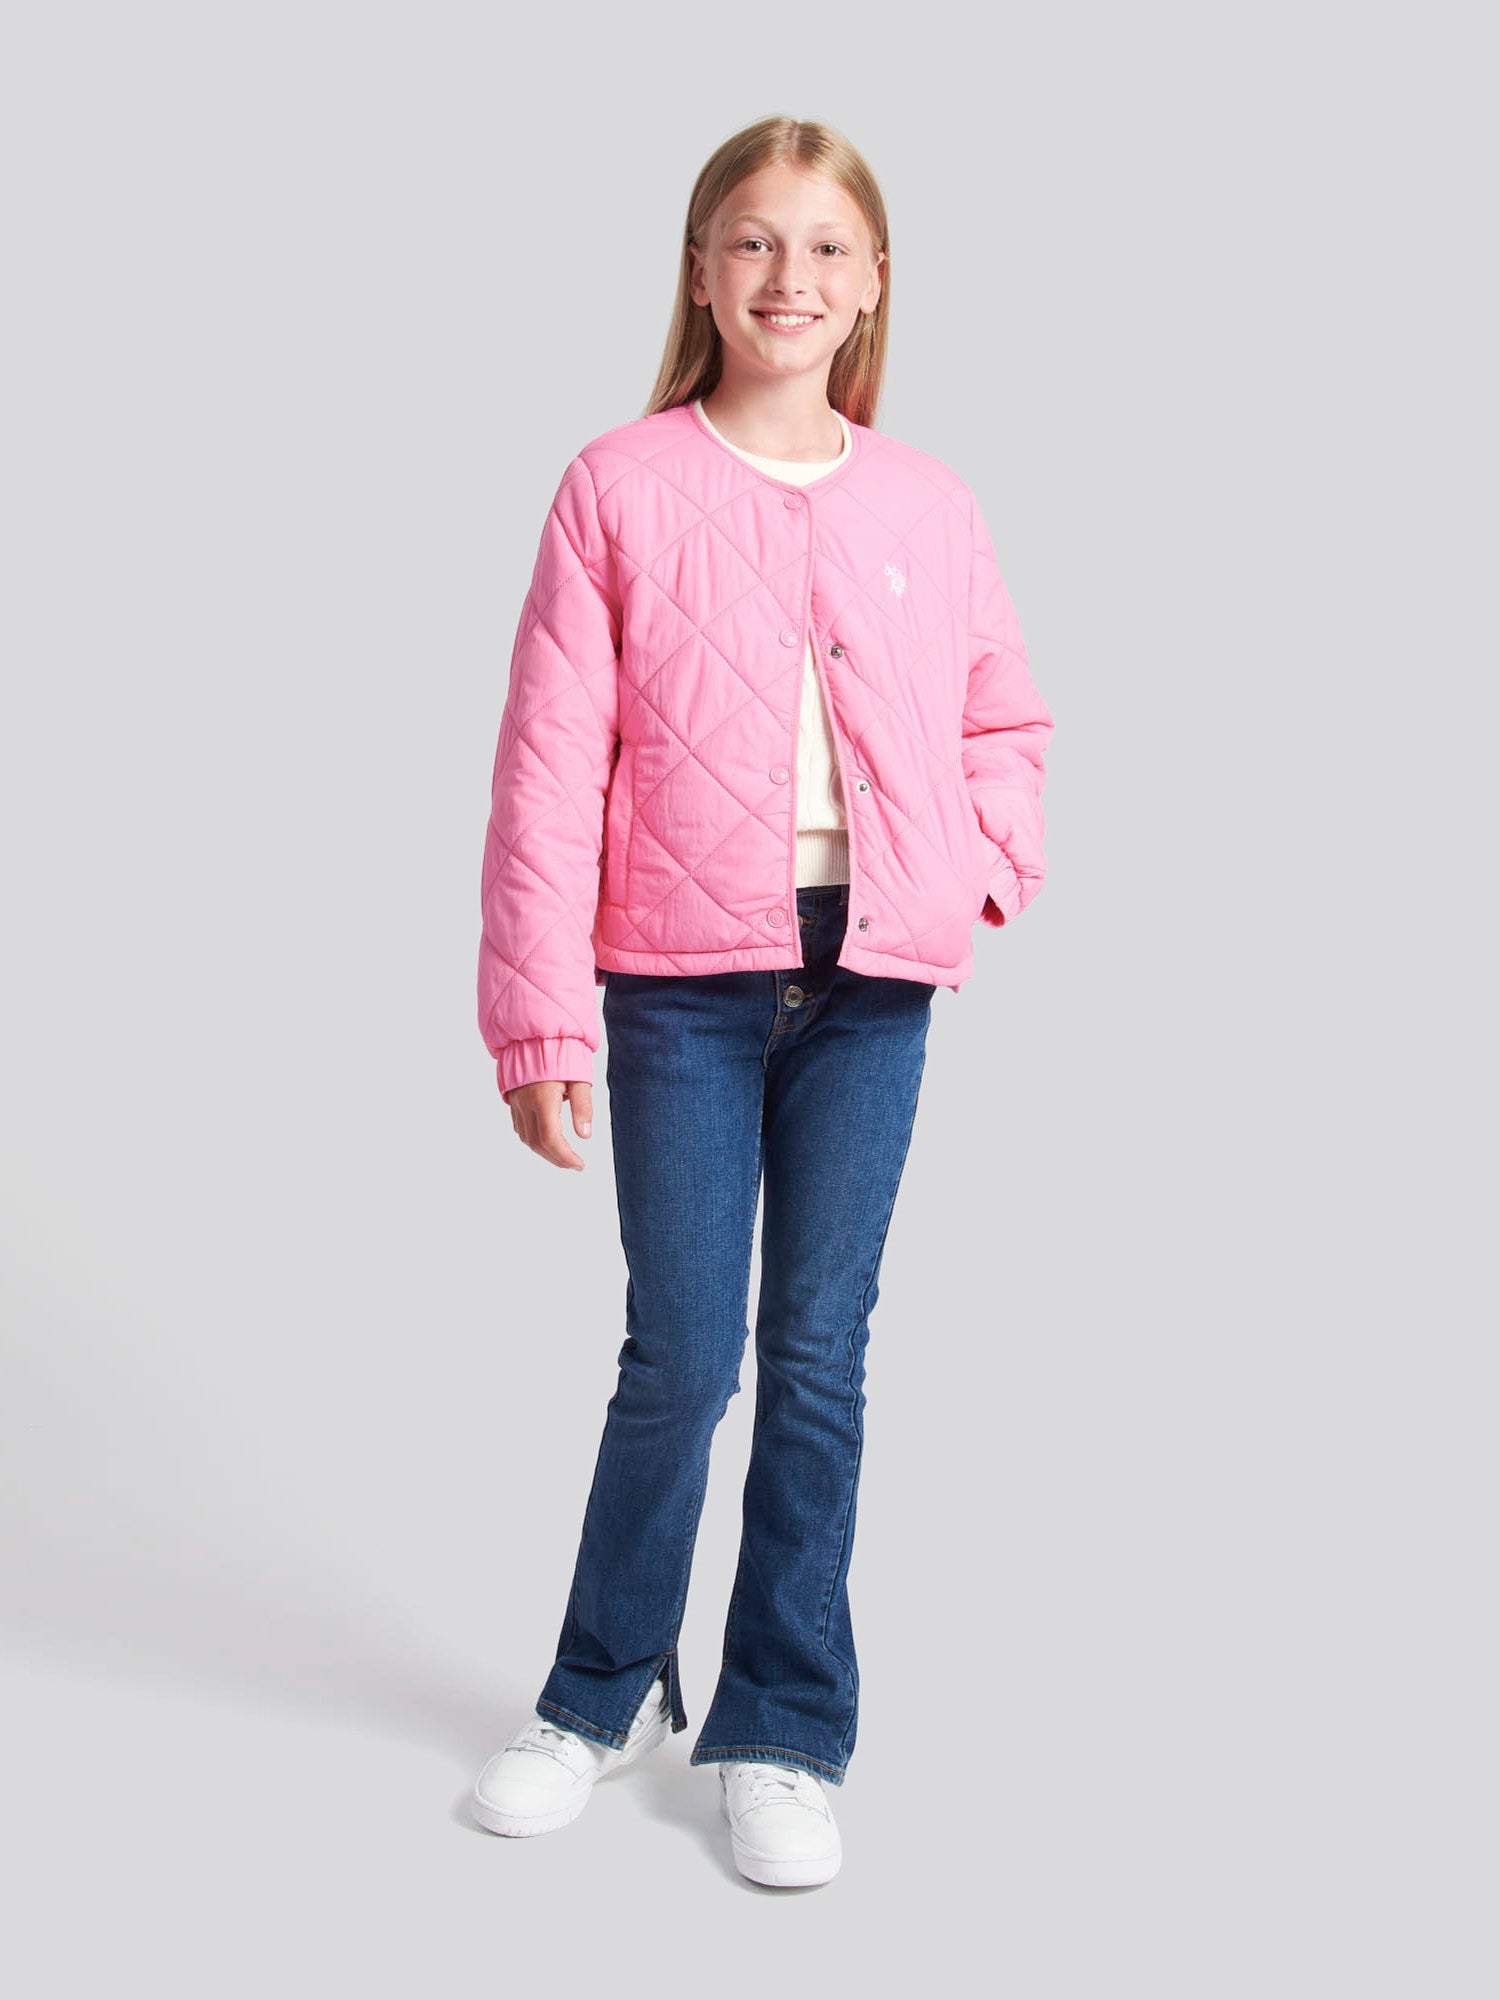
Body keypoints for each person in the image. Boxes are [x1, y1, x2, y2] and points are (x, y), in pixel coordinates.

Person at [471, 115, 1054, 1889]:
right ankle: (596, 1694)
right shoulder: (617, 486)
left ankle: (785, 1727)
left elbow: (1004, 719)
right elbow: (546, 768)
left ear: (872, 285)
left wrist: (976, 869)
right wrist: (539, 1020)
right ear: (701, 271)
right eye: (751, 239)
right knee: (681, 1354)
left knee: (819, 1358)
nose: (786, 276)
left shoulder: (928, 503)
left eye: (823, 247)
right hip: (677, 983)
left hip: (871, 985)